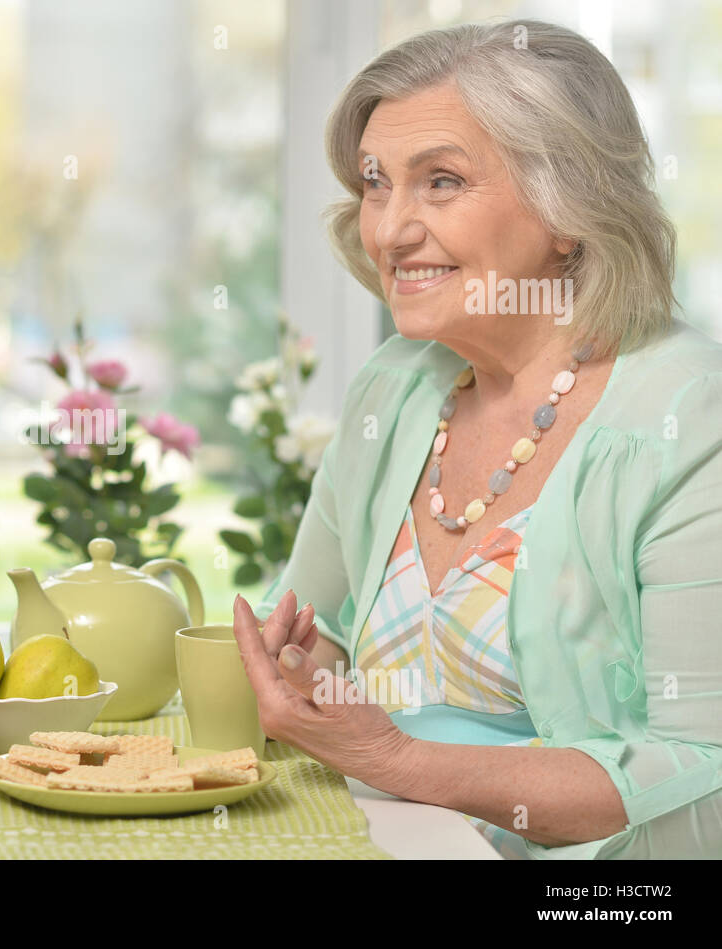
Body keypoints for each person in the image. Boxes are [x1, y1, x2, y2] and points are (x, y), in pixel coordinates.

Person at [232, 19, 722, 859]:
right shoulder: (397, 384)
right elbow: (319, 635)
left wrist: (399, 759)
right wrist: (314, 676)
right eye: (376, 184)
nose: (388, 230)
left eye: (442, 182)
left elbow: (702, 769)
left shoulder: (689, 419)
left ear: (569, 208)